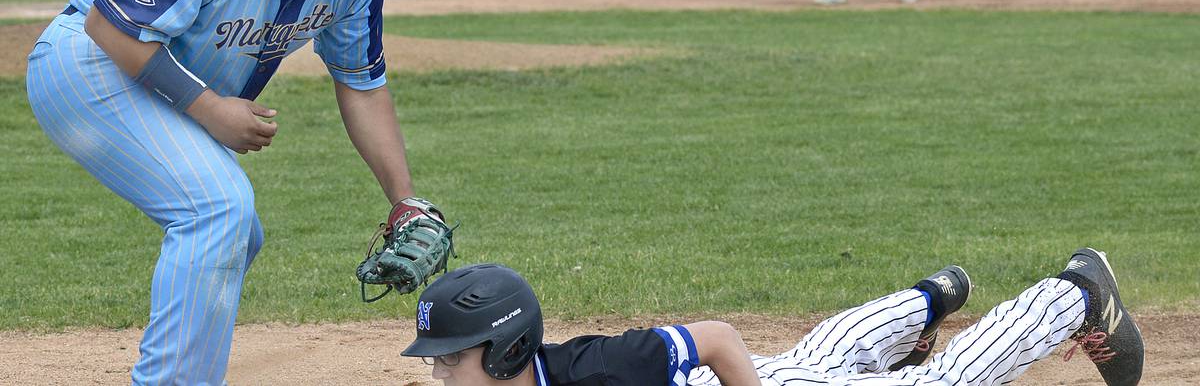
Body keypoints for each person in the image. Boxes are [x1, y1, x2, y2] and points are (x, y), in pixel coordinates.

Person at [25, 0, 440, 385]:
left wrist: (404, 200)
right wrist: (211, 109)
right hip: (85, 64)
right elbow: (108, 25)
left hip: (158, 83)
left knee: (237, 231)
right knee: (216, 209)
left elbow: (362, 86)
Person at [402, 248, 1143, 386]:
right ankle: (928, 300)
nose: (438, 370)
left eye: (450, 358)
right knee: (821, 358)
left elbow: (720, 340)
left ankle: (1074, 292)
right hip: (758, 378)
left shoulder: (601, 369)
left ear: (504, 354)